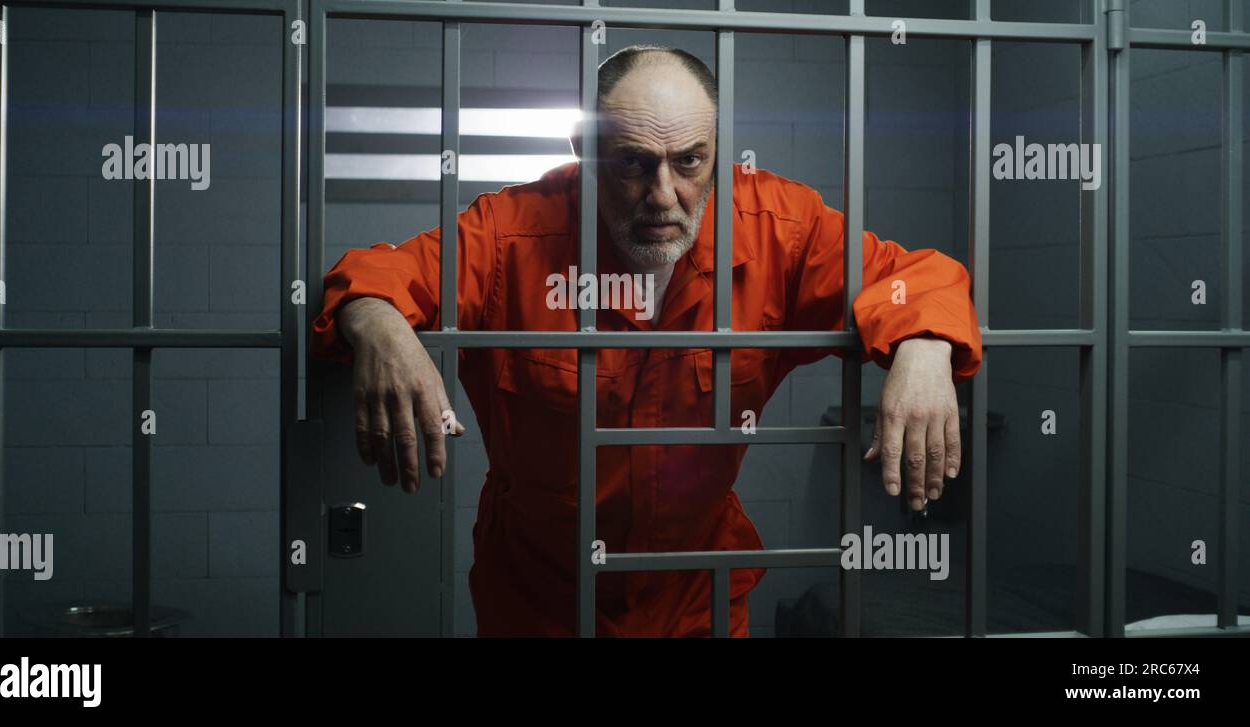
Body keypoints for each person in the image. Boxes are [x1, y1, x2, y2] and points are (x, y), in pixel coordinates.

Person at [310, 45, 983, 637]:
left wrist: (924, 344)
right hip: (536, 600)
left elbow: (914, 275)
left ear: (719, 146)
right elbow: (375, 274)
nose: (664, 195)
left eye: (690, 161)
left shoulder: (777, 228)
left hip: (697, 593)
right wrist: (377, 322)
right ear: (585, 150)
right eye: (632, 163)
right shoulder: (510, 233)